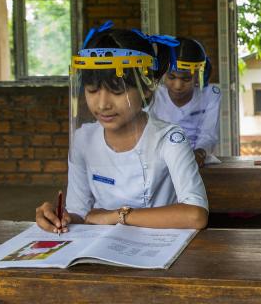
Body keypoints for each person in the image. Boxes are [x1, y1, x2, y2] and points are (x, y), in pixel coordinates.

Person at [35, 22, 209, 233]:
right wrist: (59, 217)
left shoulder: (168, 139)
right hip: (105, 247)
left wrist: (116, 216)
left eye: (117, 92)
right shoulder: (84, 139)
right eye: (92, 90)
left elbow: (196, 215)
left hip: (161, 247)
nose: (102, 104)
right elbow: (80, 213)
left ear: (146, 87)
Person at [150, 36, 221, 167]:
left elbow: (208, 135)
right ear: (163, 73)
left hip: (197, 163)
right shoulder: (154, 95)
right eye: (171, 77)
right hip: (158, 162)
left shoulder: (210, 95)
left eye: (186, 79)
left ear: (199, 76)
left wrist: (199, 154)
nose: (177, 85)